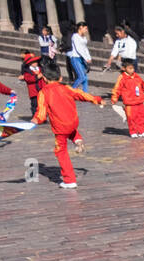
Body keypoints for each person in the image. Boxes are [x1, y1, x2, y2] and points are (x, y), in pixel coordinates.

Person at [33, 56, 105, 188]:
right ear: (60, 78)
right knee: (70, 130)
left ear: (44, 78)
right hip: (73, 122)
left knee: (60, 151)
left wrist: (35, 120)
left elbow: (41, 114)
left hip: (60, 127)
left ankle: (69, 179)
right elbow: (81, 94)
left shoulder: (44, 92)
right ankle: (77, 139)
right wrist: (97, 99)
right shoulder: (66, 88)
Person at [110, 60, 144, 138]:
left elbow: (143, 84)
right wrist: (114, 98)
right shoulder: (122, 78)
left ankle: (142, 131)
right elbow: (117, 89)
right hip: (129, 102)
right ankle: (133, 131)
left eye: (132, 68)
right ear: (124, 68)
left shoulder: (136, 76)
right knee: (131, 117)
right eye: (130, 68)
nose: (132, 70)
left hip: (139, 100)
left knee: (141, 117)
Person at [19, 53, 47, 117]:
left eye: (36, 61)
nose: (35, 63)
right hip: (33, 91)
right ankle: (35, 116)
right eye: (33, 62)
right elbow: (29, 79)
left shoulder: (40, 68)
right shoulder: (27, 71)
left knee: (42, 103)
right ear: (29, 64)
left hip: (42, 89)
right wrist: (37, 77)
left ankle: (43, 116)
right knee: (35, 104)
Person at [69, 22, 91, 93]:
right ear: (80, 27)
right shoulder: (75, 36)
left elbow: (85, 48)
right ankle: (71, 90)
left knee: (85, 77)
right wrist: (85, 58)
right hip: (75, 58)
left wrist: (89, 57)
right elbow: (78, 49)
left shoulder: (83, 37)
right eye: (85, 28)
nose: (86, 30)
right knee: (81, 77)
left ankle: (85, 93)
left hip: (82, 59)